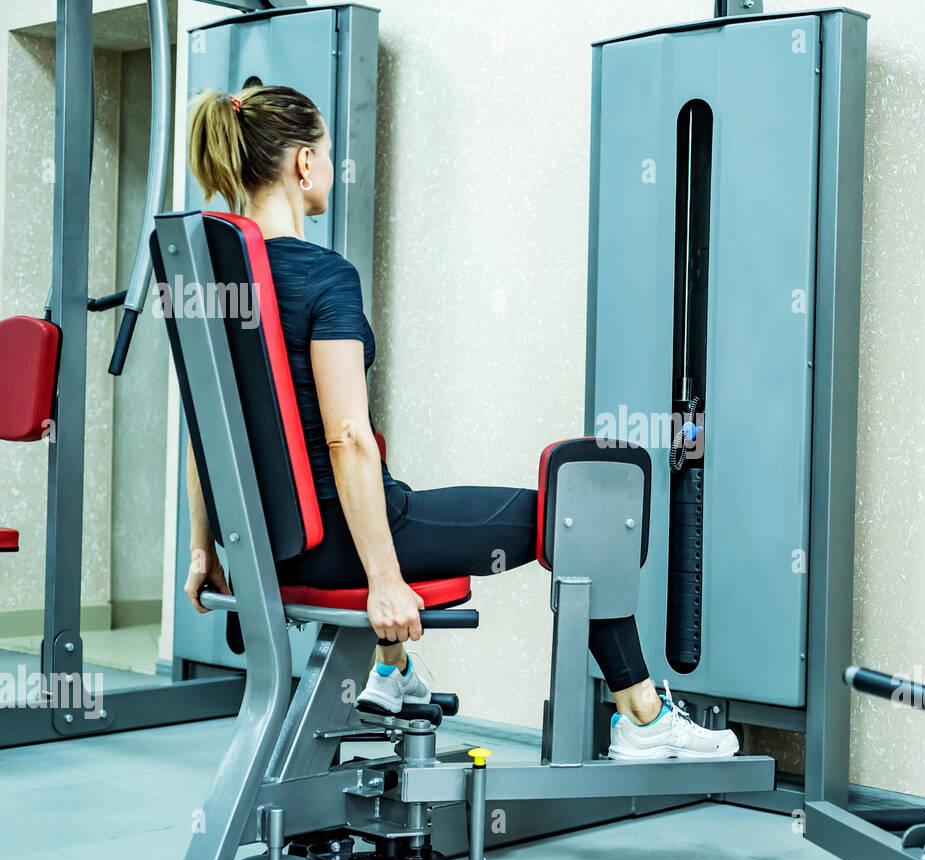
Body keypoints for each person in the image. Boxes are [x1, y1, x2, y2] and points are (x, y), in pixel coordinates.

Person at [181, 85, 736, 760]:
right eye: (326, 151)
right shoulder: (326, 278)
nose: (329, 164)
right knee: (578, 512)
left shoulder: (217, 280)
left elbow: (202, 424)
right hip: (343, 544)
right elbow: (347, 437)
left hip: (267, 548)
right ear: (302, 164)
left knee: (398, 493)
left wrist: (207, 549)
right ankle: (643, 718)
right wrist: (385, 581)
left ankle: (391, 671)